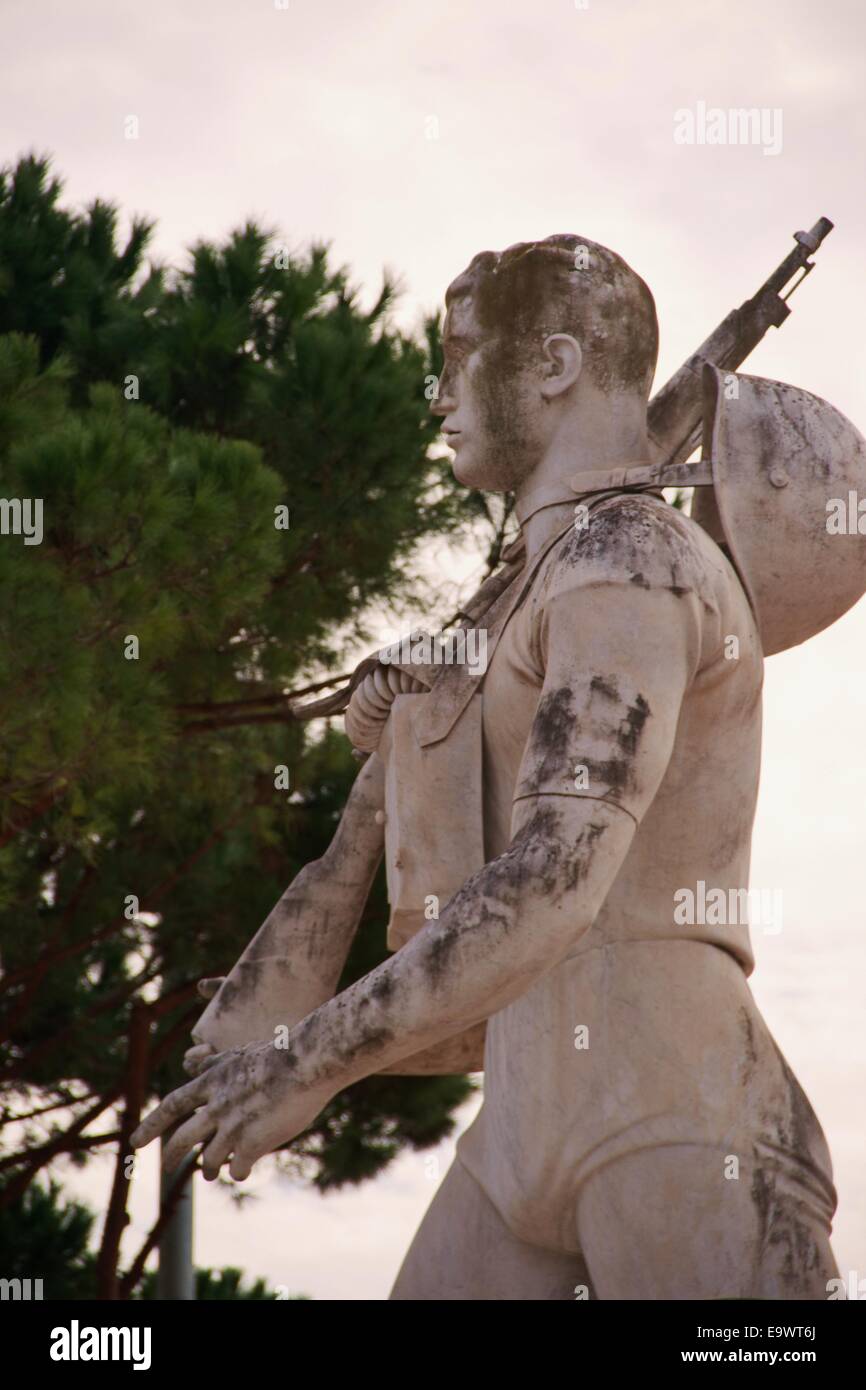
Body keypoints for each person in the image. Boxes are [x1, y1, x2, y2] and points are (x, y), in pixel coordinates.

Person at [133, 235, 839, 1300]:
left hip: (675, 1110)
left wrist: (305, 1061)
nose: (439, 395)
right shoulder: (526, 593)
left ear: (552, 366)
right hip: (519, 1122)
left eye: (460, 355)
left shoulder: (630, 561)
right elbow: (357, 853)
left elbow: (554, 877)